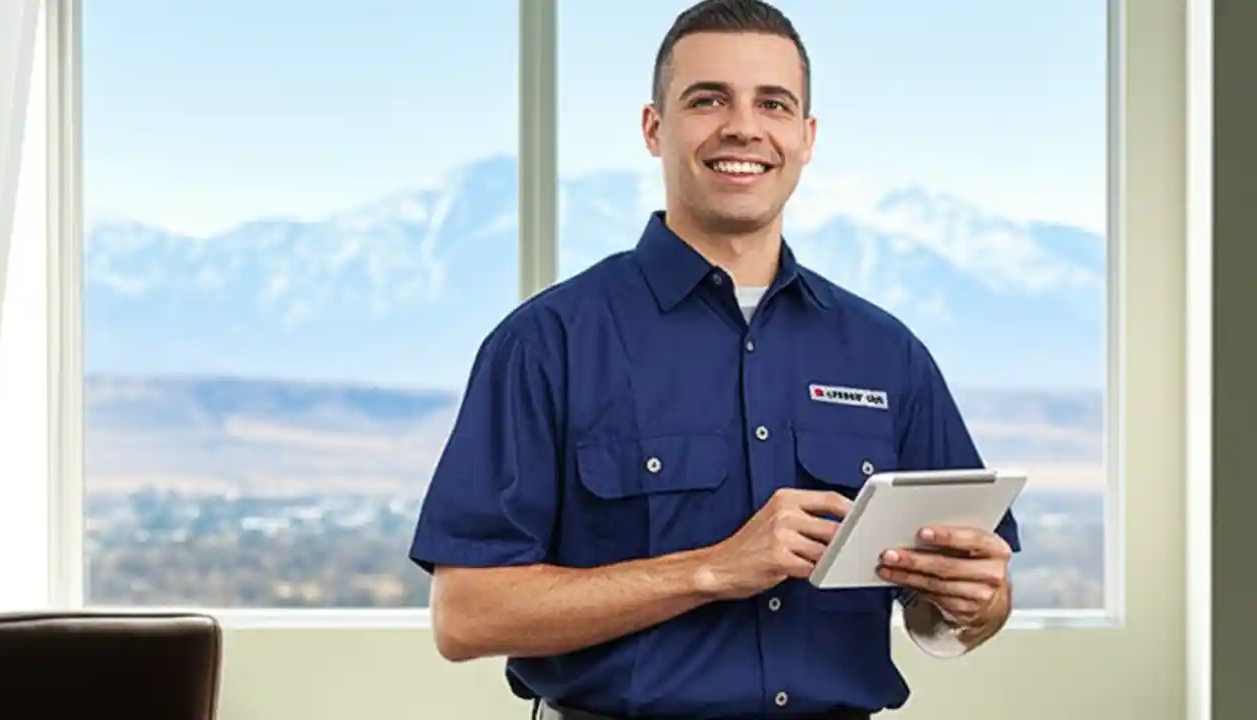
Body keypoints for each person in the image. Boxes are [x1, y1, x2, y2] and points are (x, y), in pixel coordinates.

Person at [408, 0, 1021, 717]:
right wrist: (710, 570)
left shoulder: (889, 355)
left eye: (773, 104)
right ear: (653, 127)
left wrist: (974, 604)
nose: (744, 127)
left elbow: (958, 605)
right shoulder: (548, 343)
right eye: (708, 100)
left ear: (806, 136)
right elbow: (468, 616)